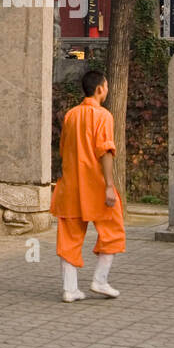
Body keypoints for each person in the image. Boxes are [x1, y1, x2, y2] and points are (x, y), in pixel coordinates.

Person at [52, 69, 124, 303]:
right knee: (113, 230)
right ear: (100, 88)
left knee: (69, 236)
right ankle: (100, 280)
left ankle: (69, 289)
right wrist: (109, 185)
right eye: (107, 85)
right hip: (95, 185)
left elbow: (63, 149)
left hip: (71, 184)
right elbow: (105, 151)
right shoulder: (104, 116)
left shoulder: (71, 115)